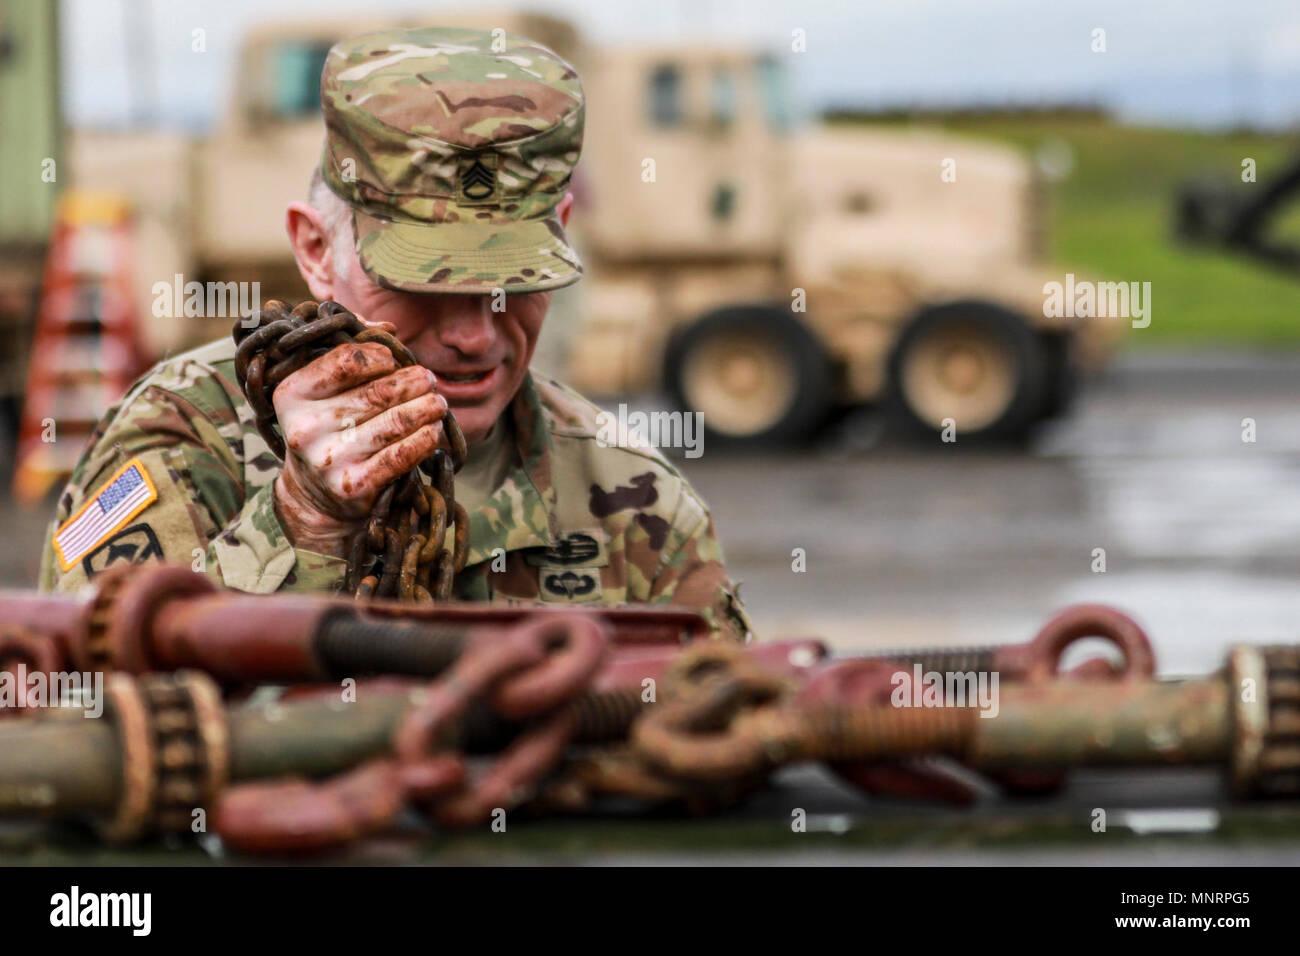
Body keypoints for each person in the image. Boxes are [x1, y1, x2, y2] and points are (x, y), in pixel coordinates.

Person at [37, 26, 752, 641]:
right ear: (316, 249)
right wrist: (302, 524)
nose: (475, 335)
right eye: (422, 283)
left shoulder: (636, 501)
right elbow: (89, 703)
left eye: (514, 282)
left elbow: (725, 730)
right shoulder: (183, 440)